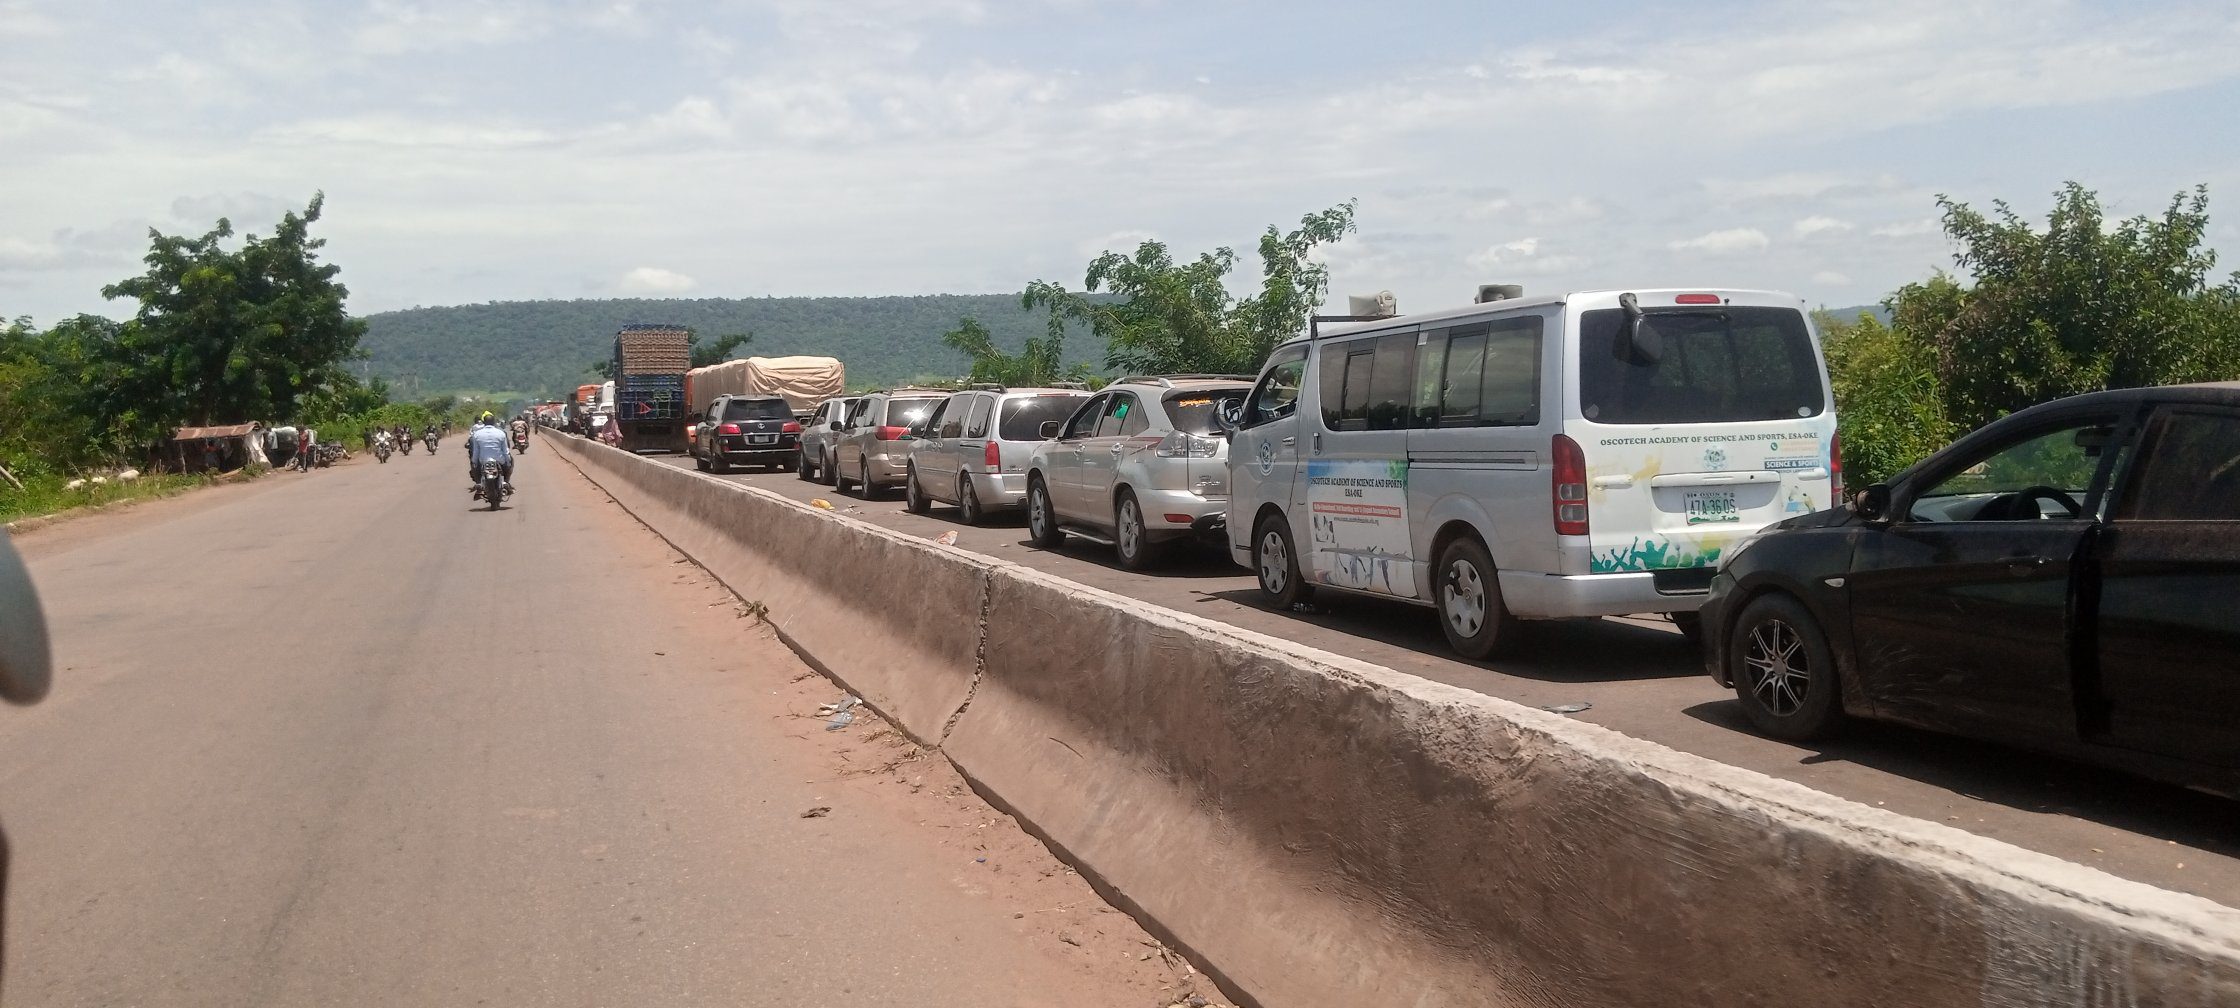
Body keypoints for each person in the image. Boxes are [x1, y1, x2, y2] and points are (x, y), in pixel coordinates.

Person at [465, 412, 513, 492]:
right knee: (510, 462)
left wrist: (474, 463)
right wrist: (508, 462)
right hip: (499, 459)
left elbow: (476, 451)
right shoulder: (501, 433)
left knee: (474, 466)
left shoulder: (477, 434)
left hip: (483, 460)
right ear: (494, 422)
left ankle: (478, 483)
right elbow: (505, 450)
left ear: (484, 422)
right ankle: (506, 482)